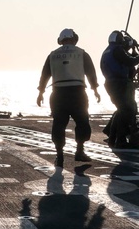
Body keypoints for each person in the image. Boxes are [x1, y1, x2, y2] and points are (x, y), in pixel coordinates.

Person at [36, 28, 101, 171]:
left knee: (59, 125)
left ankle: (59, 155)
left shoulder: (52, 55)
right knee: (82, 122)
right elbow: (91, 72)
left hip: (58, 94)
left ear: (60, 40)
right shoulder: (82, 53)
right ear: (74, 39)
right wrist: (95, 89)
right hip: (77, 93)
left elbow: (44, 75)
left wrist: (40, 92)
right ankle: (79, 150)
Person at [101, 30, 139, 150]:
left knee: (122, 109)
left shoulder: (108, 50)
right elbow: (130, 61)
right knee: (127, 110)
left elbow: (127, 63)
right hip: (118, 83)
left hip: (111, 83)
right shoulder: (118, 50)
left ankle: (112, 137)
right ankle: (120, 139)